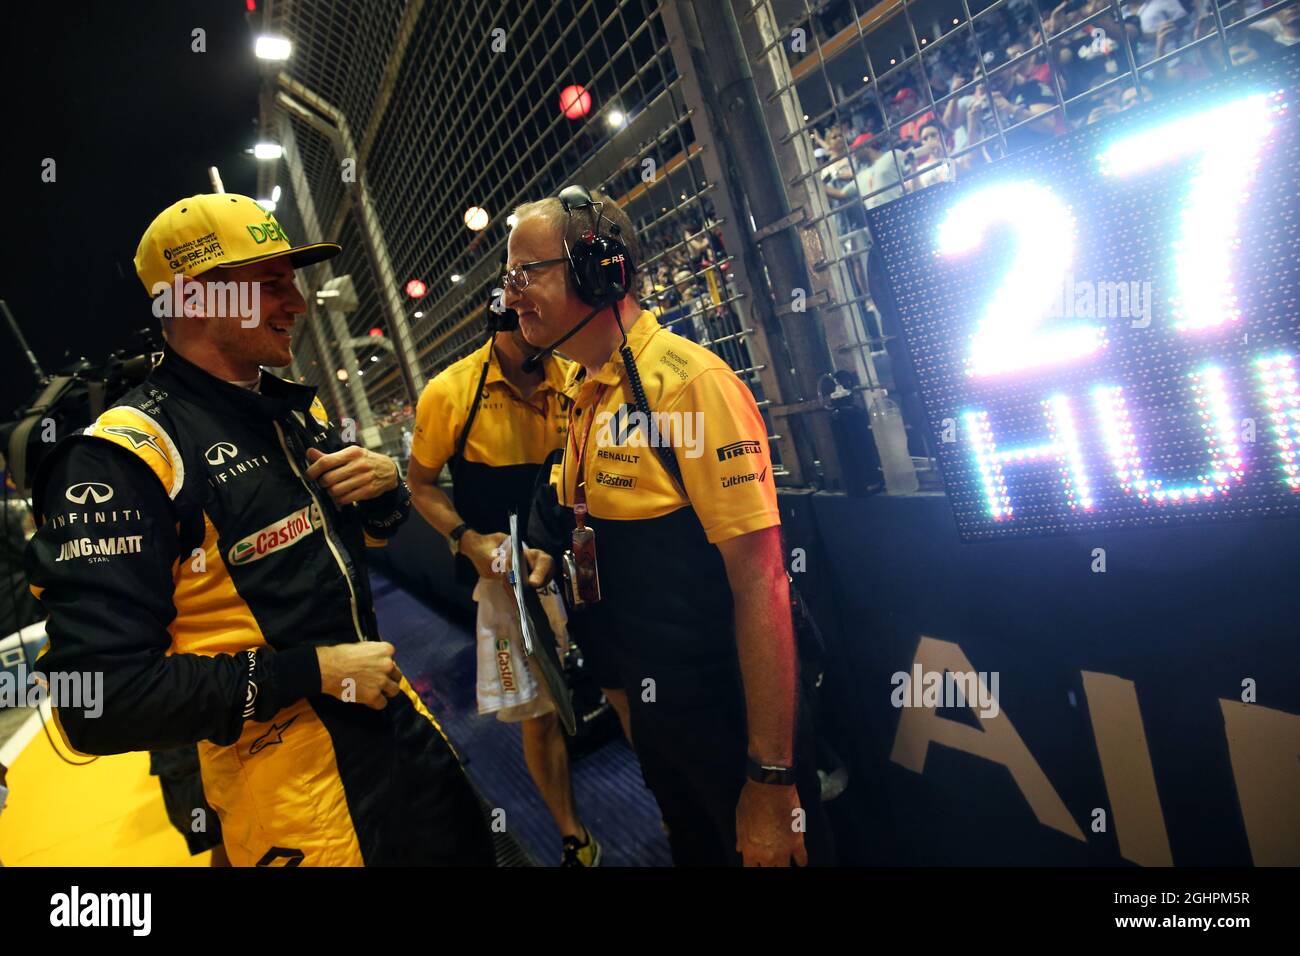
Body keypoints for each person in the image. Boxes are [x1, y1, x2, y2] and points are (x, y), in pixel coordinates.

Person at [25, 193, 493, 866]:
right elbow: (99, 701)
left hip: (398, 731)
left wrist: (385, 491)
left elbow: (357, 547)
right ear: (193, 298)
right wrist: (312, 671)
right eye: (271, 283)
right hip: (295, 801)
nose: (297, 303)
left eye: (291, 282)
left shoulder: (290, 412)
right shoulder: (121, 457)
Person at [505, 186, 833, 867]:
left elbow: (763, 583)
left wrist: (770, 780)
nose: (511, 296)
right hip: (664, 717)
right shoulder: (586, 388)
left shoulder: (687, 386)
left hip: (731, 721)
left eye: (525, 274)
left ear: (599, 272)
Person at [406, 294, 618, 866]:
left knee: (624, 685)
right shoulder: (451, 391)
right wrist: (465, 539)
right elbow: (419, 484)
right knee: (538, 711)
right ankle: (574, 836)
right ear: (504, 323)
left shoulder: (575, 377)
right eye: (528, 321)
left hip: (584, 558)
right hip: (508, 578)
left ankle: (673, 804)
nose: (545, 332)